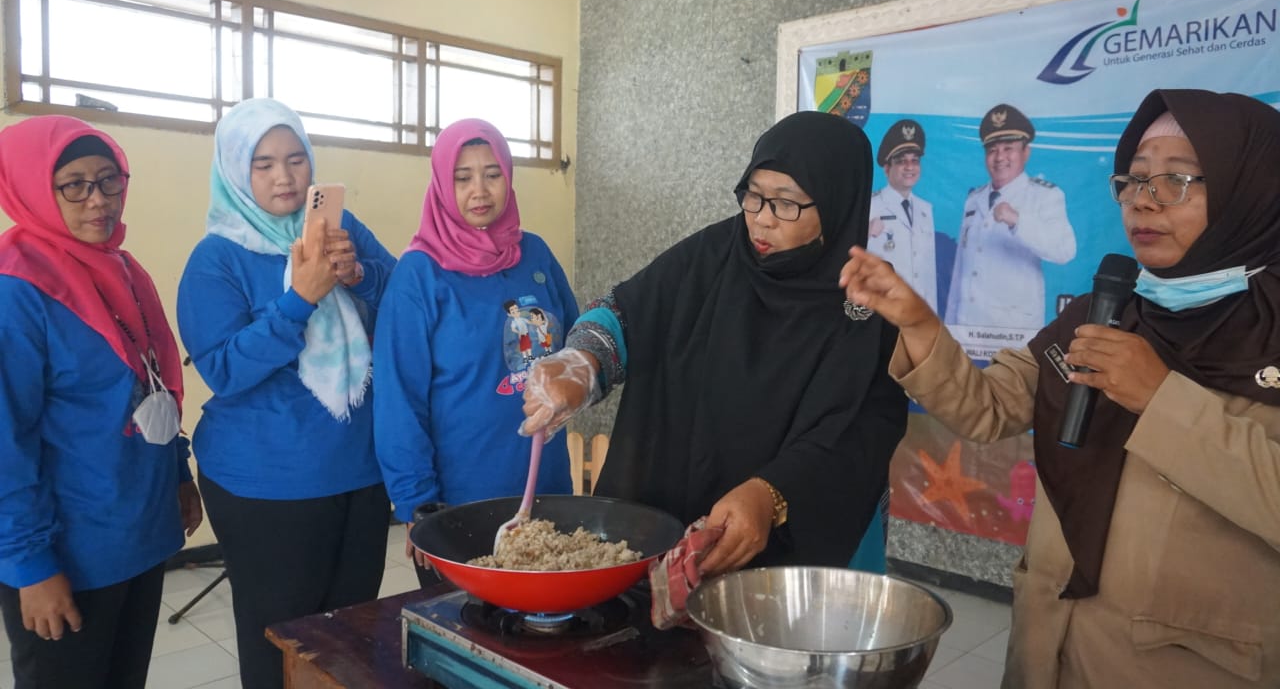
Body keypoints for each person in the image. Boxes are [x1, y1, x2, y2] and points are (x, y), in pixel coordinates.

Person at [839, 89, 1280, 688]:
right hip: (1048, 651)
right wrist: (918, 323)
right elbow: (990, 407)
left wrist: (1161, 399)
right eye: (1134, 179)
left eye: (1176, 180)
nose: (1143, 201)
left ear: (1250, 191)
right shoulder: (1110, 311)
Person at [521, 111, 907, 578]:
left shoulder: (866, 304)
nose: (762, 220)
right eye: (754, 196)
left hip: (799, 563)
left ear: (837, 204)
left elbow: (857, 438)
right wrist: (582, 361)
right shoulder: (713, 255)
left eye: (786, 204)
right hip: (675, 518)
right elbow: (630, 311)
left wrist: (770, 493)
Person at [177, 98, 396, 689]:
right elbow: (225, 369)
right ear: (235, 170)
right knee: (281, 645)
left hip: (359, 470)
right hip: (266, 486)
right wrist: (300, 299)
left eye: (296, 159)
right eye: (264, 163)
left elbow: (403, 303)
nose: (285, 177)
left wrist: (360, 276)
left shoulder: (339, 230)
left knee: (351, 639)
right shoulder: (215, 259)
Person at [0, 116, 201, 689]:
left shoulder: (123, 269)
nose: (99, 200)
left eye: (110, 180)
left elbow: (150, 381)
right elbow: (5, 443)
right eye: (75, 185)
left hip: (138, 528)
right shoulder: (15, 292)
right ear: (33, 187)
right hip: (68, 552)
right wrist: (30, 566)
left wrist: (177, 473)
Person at [373, 118, 578, 588]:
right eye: (462, 177)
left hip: (548, 489)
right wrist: (418, 504)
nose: (480, 190)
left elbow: (575, 347)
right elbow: (398, 401)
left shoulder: (535, 255)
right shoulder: (419, 275)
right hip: (461, 505)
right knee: (470, 627)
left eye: (492, 173)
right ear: (442, 185)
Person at [945, 103, 1076, 331]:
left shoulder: (1044, 195)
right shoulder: (974, 199)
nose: (999, 157)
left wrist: (1018, 221)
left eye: (1008, 148)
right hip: (968, 326)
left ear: (1026, 152)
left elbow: (1064, 251)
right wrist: (950, 324)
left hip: (1013, 329)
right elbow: (960, 269)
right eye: (992, 150)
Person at [867, 118, 937, 310]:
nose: (909, 167)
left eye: (914, 161)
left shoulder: (925, 210)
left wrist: (932, 316)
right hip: (884, 310)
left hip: (920, 312)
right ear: (887, 168)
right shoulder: (871, 207)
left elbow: (929, 274)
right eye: (901, 161)